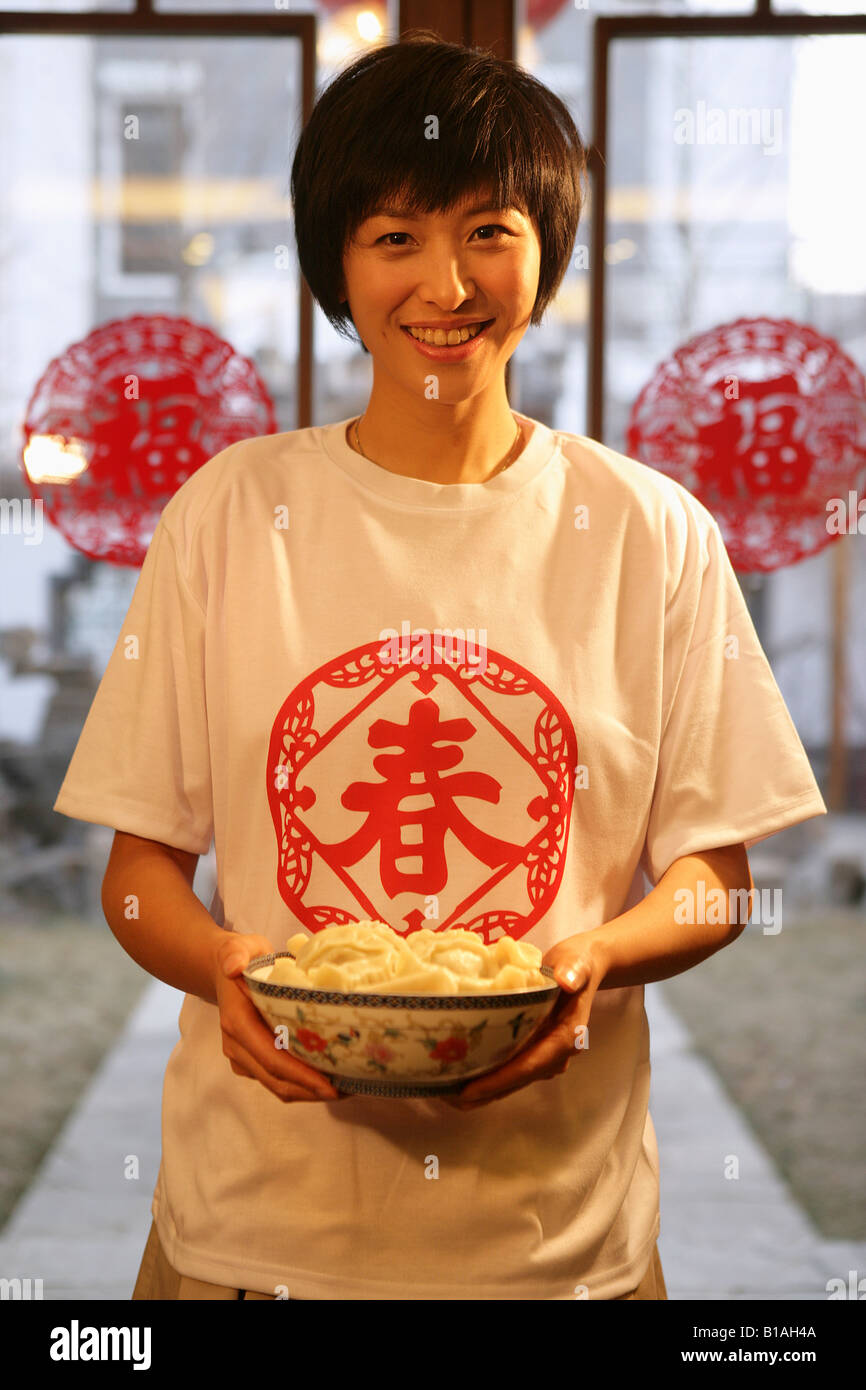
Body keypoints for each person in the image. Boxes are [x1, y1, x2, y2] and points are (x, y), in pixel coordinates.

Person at [53, 32, 827, 1301]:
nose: (446, 283)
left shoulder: (646, 528)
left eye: (489, 229)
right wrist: (223, 970)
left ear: (545, 256)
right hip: (258, 1240)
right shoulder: (231, 513)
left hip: (558, 1250)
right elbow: (139, 876)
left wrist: (595, 959)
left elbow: (713, 878)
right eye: (393, 236)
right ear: (335, 267)